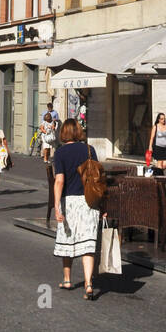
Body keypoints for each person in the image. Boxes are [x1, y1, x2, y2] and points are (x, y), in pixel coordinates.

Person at [53, 118, 100, 299]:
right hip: (89, 201)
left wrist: (57, 206)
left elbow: (59, 181)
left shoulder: (61, 153)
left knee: (68, 241)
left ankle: (67, 279)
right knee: (87, 243)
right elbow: (96, 178)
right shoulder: (90, 150)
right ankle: (88, 283)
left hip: (70, 202)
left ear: (63, 133)